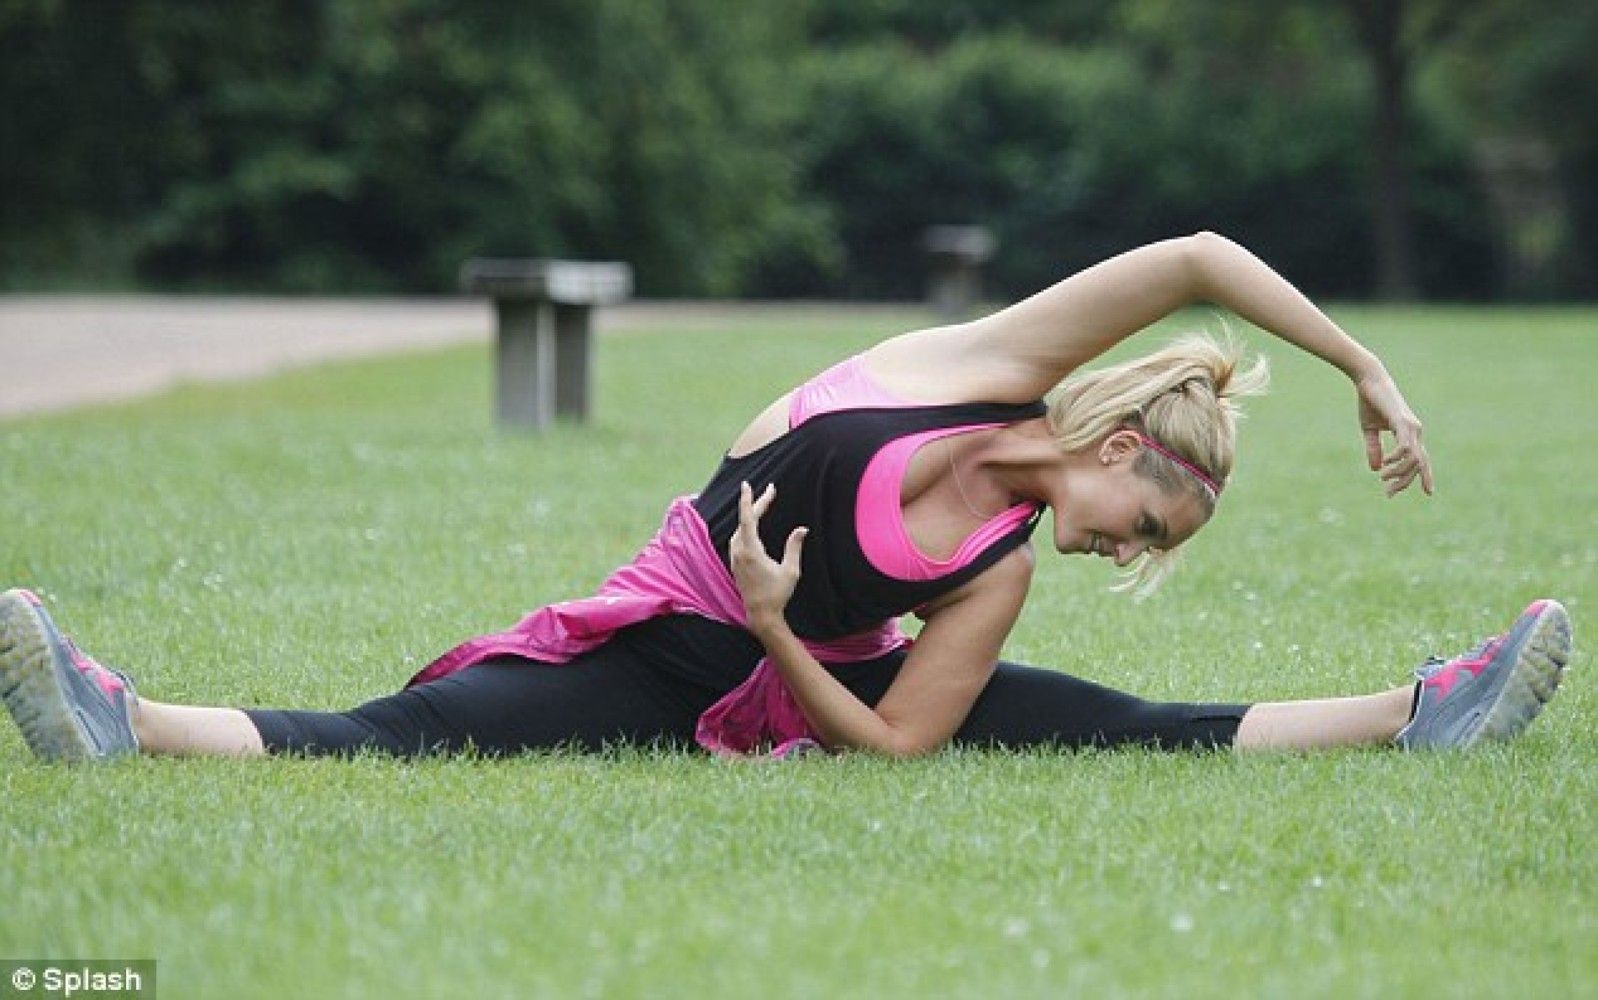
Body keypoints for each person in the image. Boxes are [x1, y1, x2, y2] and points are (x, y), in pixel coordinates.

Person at [0, 232, 1573, 763]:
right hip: (677, 630)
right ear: (1120, 450)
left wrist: (786, 622)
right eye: (1146, 527)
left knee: (1101, 716)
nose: (1125, 552)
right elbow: (1197, 266)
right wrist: (1361, 365)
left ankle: (1418, 709)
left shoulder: (1003, 561)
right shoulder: (982, 361)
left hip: (795, 655)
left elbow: (890, 745)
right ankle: (111, 716)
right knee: (413, 731)